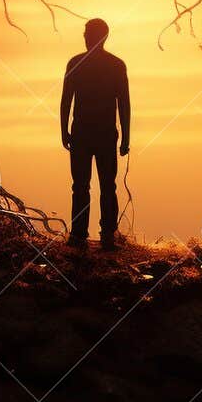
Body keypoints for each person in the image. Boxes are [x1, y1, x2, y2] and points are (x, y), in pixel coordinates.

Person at [60, 18, 130, 248]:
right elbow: (66, 100)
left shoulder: (110, 65)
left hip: (98, 134)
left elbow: (124, 104)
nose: (85, 36)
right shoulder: (104, 64)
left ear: (100, 36)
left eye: (88, 32)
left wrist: (126, 137)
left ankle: (103, 234)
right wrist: (63, 130)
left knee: (103, 185)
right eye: (85, 32)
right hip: (88, 134)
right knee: (84, 185)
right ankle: (82, 235)